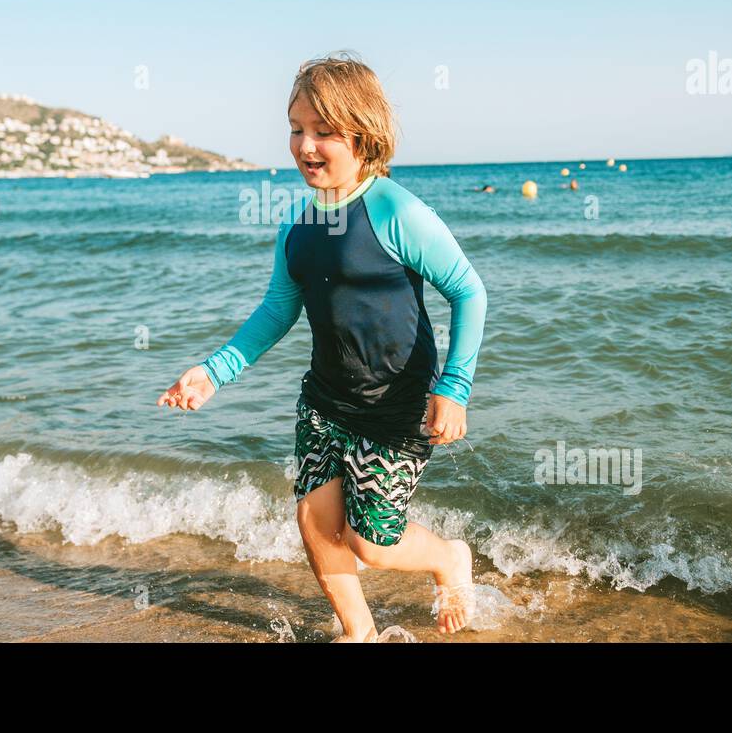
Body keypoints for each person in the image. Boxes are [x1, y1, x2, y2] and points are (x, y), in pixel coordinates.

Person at [157, 53, 488, 641]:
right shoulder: (297, 226)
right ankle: (359, 631)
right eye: (295, 129)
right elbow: (277, 310)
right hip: (324, 400)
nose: (305, 145)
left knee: (371, 543)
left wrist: (454, 387)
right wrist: (213, 371)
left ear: (362, 134)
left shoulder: (396, 210)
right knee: (314, 519)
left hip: (396, 404)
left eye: (323, 131)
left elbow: (468, 290)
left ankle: (448, 559)